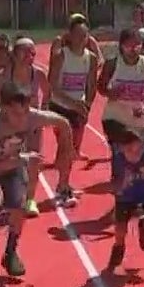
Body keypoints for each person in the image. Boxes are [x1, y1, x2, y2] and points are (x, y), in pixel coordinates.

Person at [0, 81, 75, 276]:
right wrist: (24, 159)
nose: (22, 118)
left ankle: (10, 252)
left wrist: (66, 147)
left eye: (25, 111)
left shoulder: (30, 116)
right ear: (3, 108)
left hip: (14, 165)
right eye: (16, 113)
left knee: (19, 206)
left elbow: (62, 122)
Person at [98, 29, 144, 156]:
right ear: (121, 46)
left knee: (133, 157)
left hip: (138, 120)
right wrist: (109, 93)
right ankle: (118, 173)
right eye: (129, 46)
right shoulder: (112, 64)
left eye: (137, 45)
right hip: (114, 118)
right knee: (125, 149)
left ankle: (119, 173)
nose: (133, 50)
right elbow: (100, 86)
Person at [4, 36, 51, 217]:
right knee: (9, 161)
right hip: (10, 125)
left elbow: (47, 93)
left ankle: (31, 200)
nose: (29, 56)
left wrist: (42, 113)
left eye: (32, 52)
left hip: (31, 124)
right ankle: (10, 197)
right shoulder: (5, 76)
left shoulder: (38, 74)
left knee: (33, 160)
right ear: (15, 55)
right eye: (24, 52)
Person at [48, 17, 99, 180]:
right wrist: (71, 103)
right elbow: (52, 86)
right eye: (77, 34)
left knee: (73, 142)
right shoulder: (61, 55)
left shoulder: (91, 58)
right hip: (60, 103)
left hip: (79, 102)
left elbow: (91, 85)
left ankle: (65, 168)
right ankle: (63, 182)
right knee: (65, 138)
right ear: (69, 36)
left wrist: (88, 104)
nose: (80, 39)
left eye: (84, 35)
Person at [107, 131, 144, 270]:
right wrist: (120, 187)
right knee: (120, 230)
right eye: (129, 150)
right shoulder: (118, 159)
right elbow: (114, 182)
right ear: (121, 148)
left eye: (137, 149)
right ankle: (119, 247)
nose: (134, 154)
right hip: (126, 197)